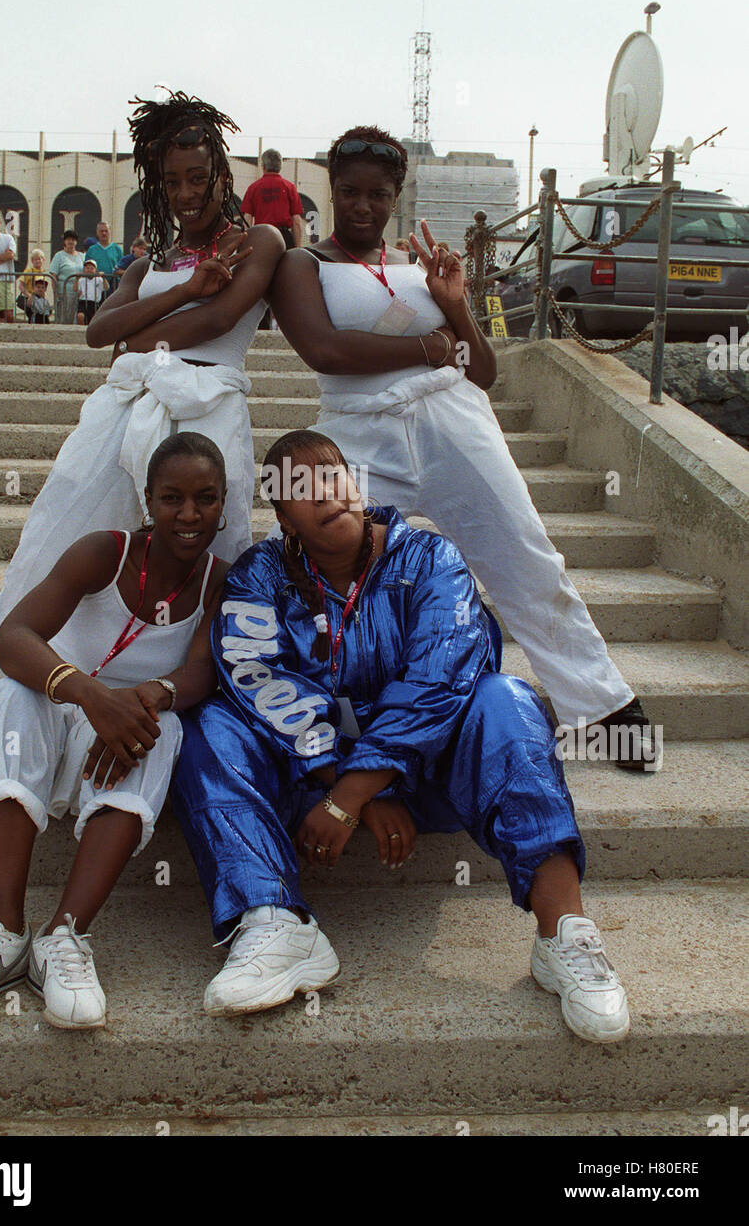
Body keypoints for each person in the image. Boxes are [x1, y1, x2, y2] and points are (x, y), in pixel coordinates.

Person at [171, 431, 630, 1044]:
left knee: (506, 699)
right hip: (311, 779)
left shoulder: (429, 560)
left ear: (356, 483)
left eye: (334, 475)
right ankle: (274, 921)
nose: (325, 493)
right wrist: (350, 787)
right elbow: (259, 681)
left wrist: (359, 793)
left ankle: (562, 935)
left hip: (433, 776)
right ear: (282, 515)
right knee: (212, 725)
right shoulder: (260, 575)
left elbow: (440, 679)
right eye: (300, 489)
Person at [0, 89, 284, 778]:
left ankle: (194, 717)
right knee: (50, 546)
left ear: (223, 174)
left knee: (206, 561)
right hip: (123, 410)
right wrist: (184, 293)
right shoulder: (149, 260)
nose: (186, 192)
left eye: (198, 177)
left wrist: (142, 334)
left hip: (205, 412)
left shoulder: (259, 242)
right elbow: (97, 331)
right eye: (171, 181)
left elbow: (218, 324)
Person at [268, 126, 657, 771]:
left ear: (398, 196)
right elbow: (323, 350)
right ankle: (326, 718)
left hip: (453, 419)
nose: (364, 205)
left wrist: (455, 304)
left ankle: (602, 706)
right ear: (331, 191)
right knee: (325, 572)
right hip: (358, 431)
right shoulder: (303, 263)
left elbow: (482, 371)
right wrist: (424, 348)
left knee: (526, 555)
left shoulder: (417, 264)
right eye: (350, 192)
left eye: (379, 194)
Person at [0, 434, 229, 1029]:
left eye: (205, 499)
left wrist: (147, 698)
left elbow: (203, 670)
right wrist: (91, 695)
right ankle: (2, 935)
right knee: (10, 692)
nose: (189, 515)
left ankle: (63, 939)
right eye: (172, 498)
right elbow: (12, 640)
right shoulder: (104, 553)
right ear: (147, 501)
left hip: (118, 741)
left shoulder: (219, 577)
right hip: (56, 716)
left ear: (223, 504)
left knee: (164, 727)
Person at [242, 149, 305, 251]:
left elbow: (247, 219)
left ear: (263, 166)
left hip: (262, 237)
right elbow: (296, 221)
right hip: (284, 238)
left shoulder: (253, 188)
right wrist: (298, 248)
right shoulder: (289, 187)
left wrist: (248, 245)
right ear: (280, 166)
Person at [49, 230, 84, 324]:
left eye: (73, 239)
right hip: (63, 292)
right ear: (64, 241)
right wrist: (56, 293)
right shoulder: (59, 256)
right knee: (62, 318)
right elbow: (53, 275)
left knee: (75, 318)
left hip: (79, 293)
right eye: (68, 239)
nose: (71, 242)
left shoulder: (81, 256)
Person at [85, 222, 124, 295]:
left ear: (110, 232)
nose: (104, 233)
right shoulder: (91, 250)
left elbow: (122, 268)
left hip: (113, 286)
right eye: (101, 231)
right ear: (97, 232)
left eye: (106, 231)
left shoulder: (117, 249)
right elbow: (85, 268)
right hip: (95, 286)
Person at [18, 247, 49, 321]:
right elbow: (21, 285)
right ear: (32, 261)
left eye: (40, 258)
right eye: (36, 259)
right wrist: (29, 295)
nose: (38, 261)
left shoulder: (43, 272)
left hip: (40, 299)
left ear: (43, 260)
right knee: (34, 317)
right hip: (31, 299)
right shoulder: (29, 271)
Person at [75, 257, 106, 325]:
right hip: (83, 302)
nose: (89, 270)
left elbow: (106, 288)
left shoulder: (99, 279)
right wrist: (76, 279)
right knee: (80, 316)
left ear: (95, 270)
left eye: (92, 268)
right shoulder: (81, 280)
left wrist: (103, 278)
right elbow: (75, 290)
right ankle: (81, 331)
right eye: (87, 268)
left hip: (94, 303)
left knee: (93, 320)